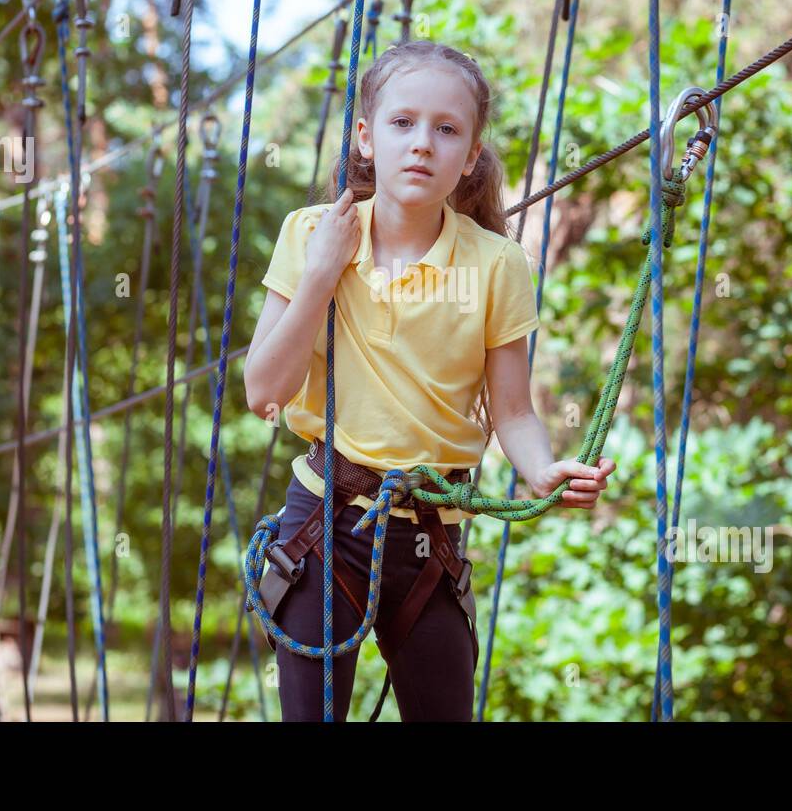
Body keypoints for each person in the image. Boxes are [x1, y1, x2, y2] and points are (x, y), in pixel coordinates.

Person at [243, 39, 615, 721]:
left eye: (446, 130)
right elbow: (262, 391)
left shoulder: (498, 264)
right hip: (324, 520)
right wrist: (322, 275)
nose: (423, 144)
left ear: (470, 156)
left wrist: (540, 473)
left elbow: (513, 412)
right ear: (366, 137)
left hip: (430, 533)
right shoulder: (310, 235)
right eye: (403, 123)